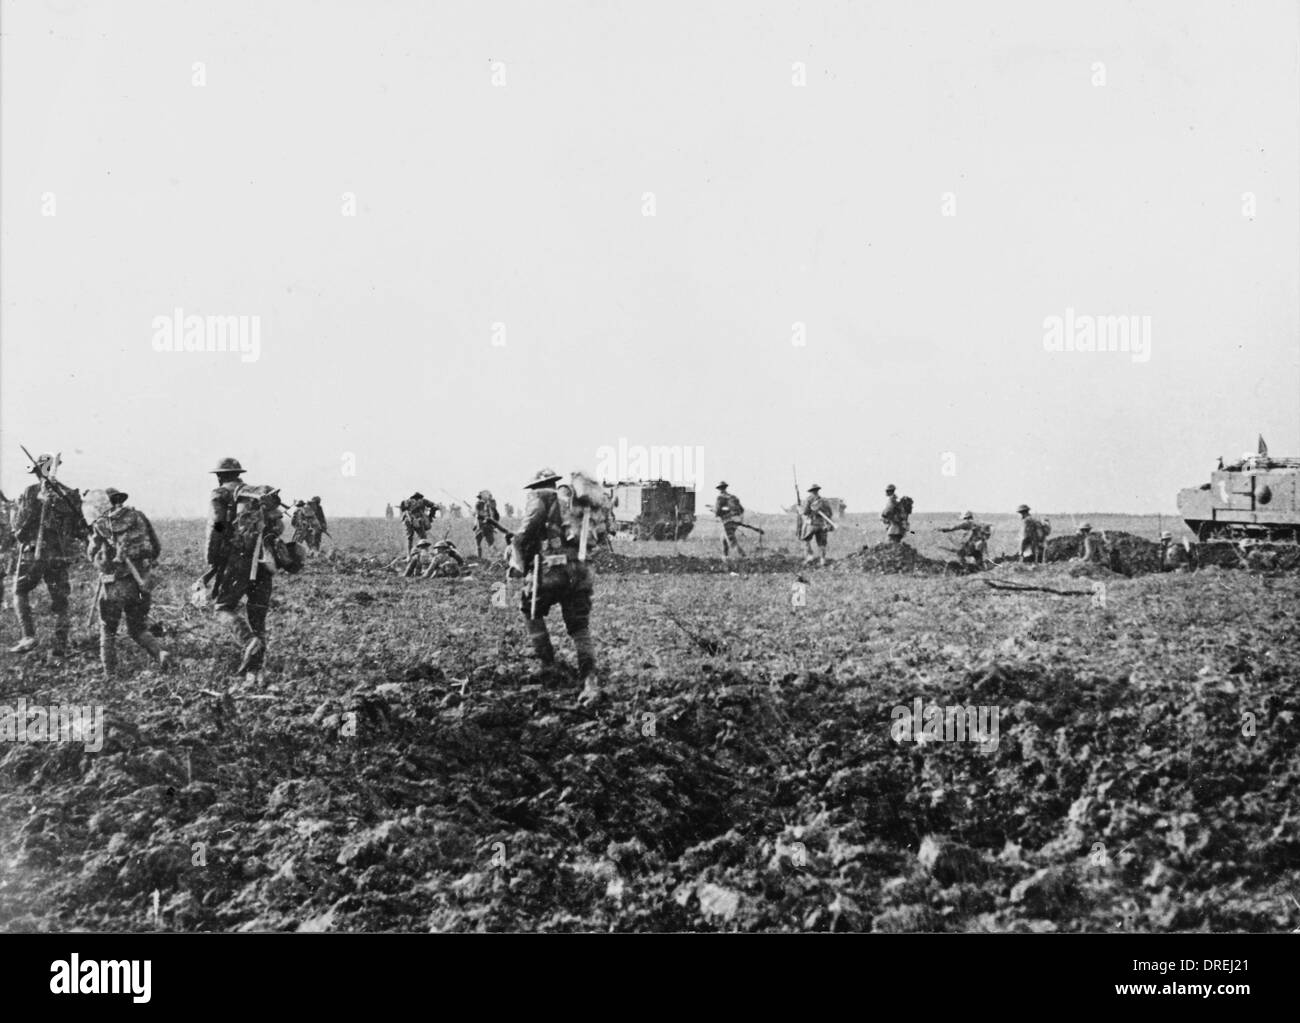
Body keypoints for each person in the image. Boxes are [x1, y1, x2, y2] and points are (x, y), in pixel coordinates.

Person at [510, 468, 600, 703]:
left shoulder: (540, 499)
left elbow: (523, 536)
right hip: (581, 570)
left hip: (552, 570)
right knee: (579, 627)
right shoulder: (573, 502)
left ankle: (548, 664)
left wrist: (516, 556)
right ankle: (589, 678)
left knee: (530, 609)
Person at [205, 457, 282, 683]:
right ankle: (255, 673)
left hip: (237, 561)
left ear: (220, 476)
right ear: (238, 474)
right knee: (258, 617)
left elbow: (216, 527)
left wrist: (212, 559)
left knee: (223, 608)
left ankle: (249, 643)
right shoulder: (259, 494)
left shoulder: (220, 495)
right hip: (263, 561)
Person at [9, 452, 88, 656]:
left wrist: (37, 504)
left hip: (34, 553)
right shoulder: (70, 495)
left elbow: (19, 530)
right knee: (61, 601)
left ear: (37, 472)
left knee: (19, 591)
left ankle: (28, 636)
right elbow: (81, 528)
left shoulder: (32, 492)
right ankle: (61, 645)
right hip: (59, 554)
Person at [87, 487, 170, 676]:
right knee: (138, 627)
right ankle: (160, 653)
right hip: (141, 582)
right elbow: (155, 547)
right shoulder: (138, 516)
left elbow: (95, 558)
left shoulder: (101, 524)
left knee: (108, 630)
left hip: (114, 585)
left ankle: (110, 674)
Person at [800, 484, 834, 566]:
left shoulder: (809, 499)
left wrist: (799, 509)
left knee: (806, 540)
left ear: (811, 491)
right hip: (822, 525)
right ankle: (822, 560)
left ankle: (810, 557)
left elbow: (805, 512)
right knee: (822, 543)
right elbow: (830, 513)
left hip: (812, 524)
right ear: (818, 490)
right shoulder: (825, 501)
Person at [713, 481, 746, 559]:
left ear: (719, 489)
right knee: (723, 538)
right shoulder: (733, 497)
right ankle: (725, 557)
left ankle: (744, 557)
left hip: (728, 521)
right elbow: (742, 510)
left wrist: (716, 512)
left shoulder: (720, 497)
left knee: (732, 541)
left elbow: (717, 511)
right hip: (737, 521)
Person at [473, 490, 503, 558]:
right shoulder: (490, 504)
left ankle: (479, 558)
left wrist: (475, 515)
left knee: (478, 544)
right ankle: (500, 556)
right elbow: (495, 516)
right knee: (491, 544)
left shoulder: (479, 504)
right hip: (489, 526)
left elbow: (479, 516)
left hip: (481, 527)